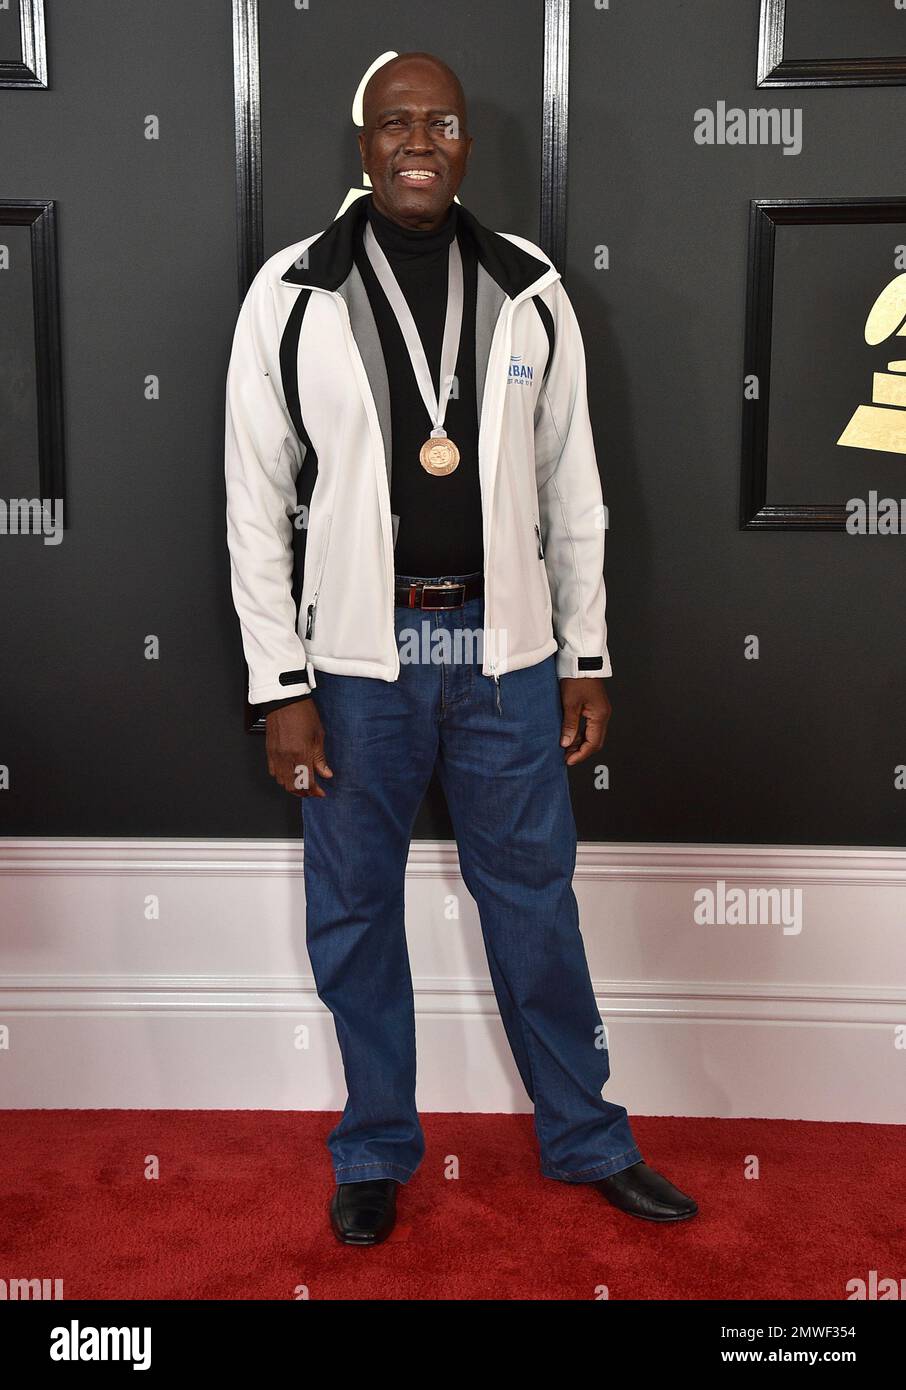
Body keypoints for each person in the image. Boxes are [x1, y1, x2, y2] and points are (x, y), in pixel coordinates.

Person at [225, 51, 697, 1245]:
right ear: (363, 141)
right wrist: (281, 684)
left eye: (439, 121)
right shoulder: (290, 293)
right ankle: (377, 1146)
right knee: (354, 914)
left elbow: (572, 485)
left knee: (535, 903)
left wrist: (585, 653)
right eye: (395, 123)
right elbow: (251, 502)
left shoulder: (530, 285)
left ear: (467, 145)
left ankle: (587, 1138)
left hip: (506, 654)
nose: (417, 140)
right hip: (355, 663)